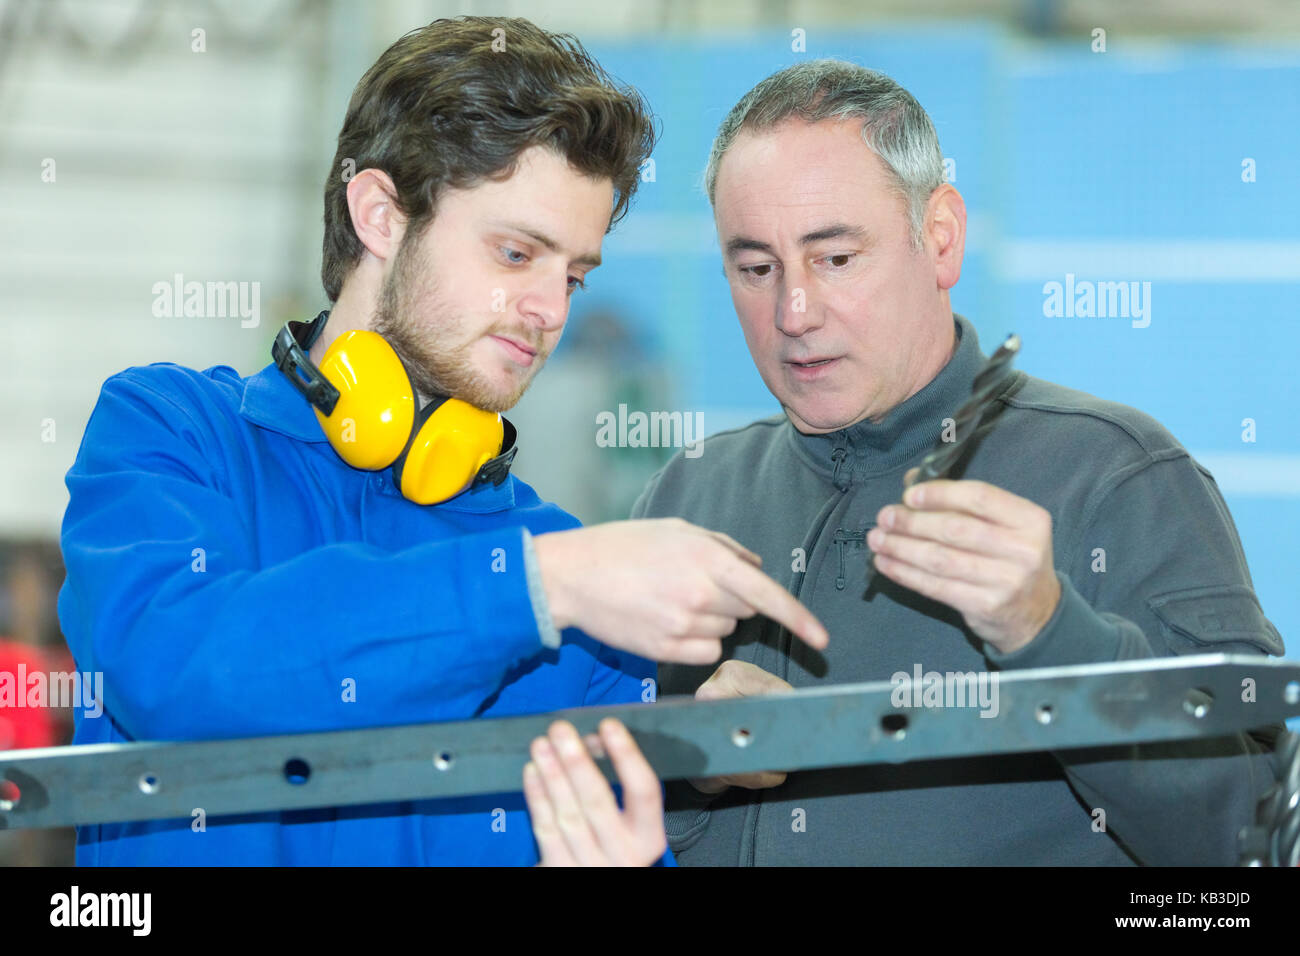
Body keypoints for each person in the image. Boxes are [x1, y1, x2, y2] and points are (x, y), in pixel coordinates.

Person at [57, 17, 827, 867]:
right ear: (380, 215)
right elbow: (174, 668)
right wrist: (532, 589)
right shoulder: (174, 434)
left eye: (572, 275)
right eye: (514, 253)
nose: (552, 311)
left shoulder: (565, 569)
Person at [631, 59, 1287, 866]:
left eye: (835, 259)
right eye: (756, 268)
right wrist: (683, 767)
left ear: (939, 238)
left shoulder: (1117, 477)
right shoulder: (689, 494)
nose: (794, 312)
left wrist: (1050, 634)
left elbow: (1245, 834)